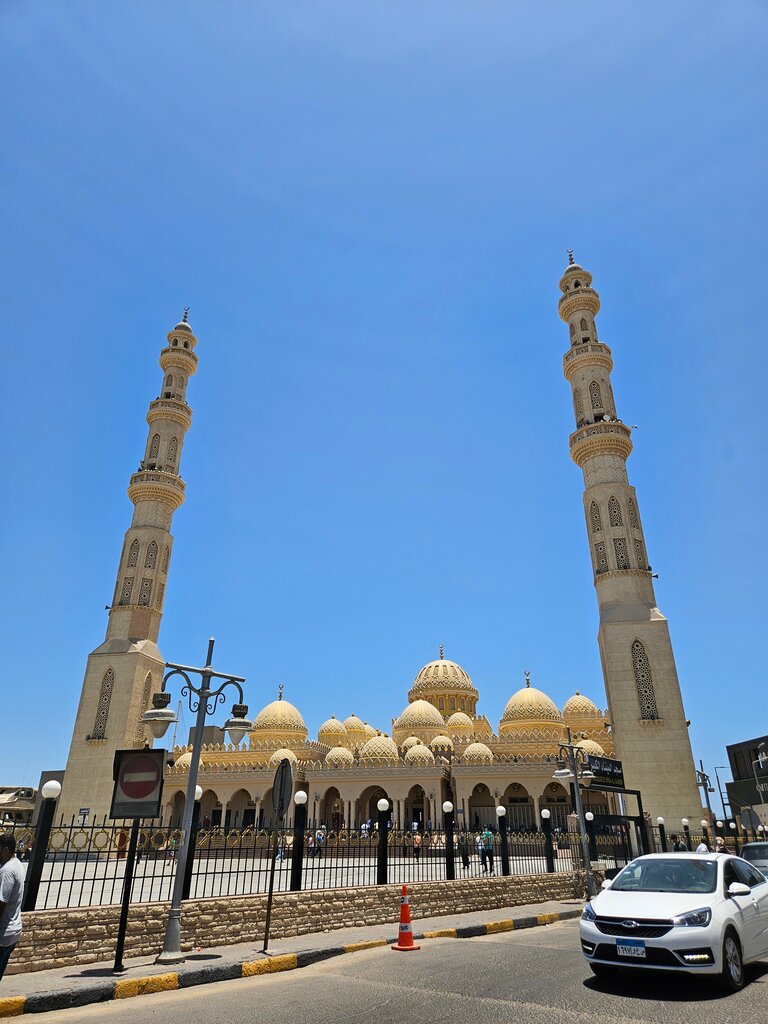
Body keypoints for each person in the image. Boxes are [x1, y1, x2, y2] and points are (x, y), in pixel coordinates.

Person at [0, 834, 24, 980]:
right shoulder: (17, 864)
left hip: (3, 932)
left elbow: (1, 903)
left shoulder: (7, 871)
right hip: (13, 931)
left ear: (5, 850)